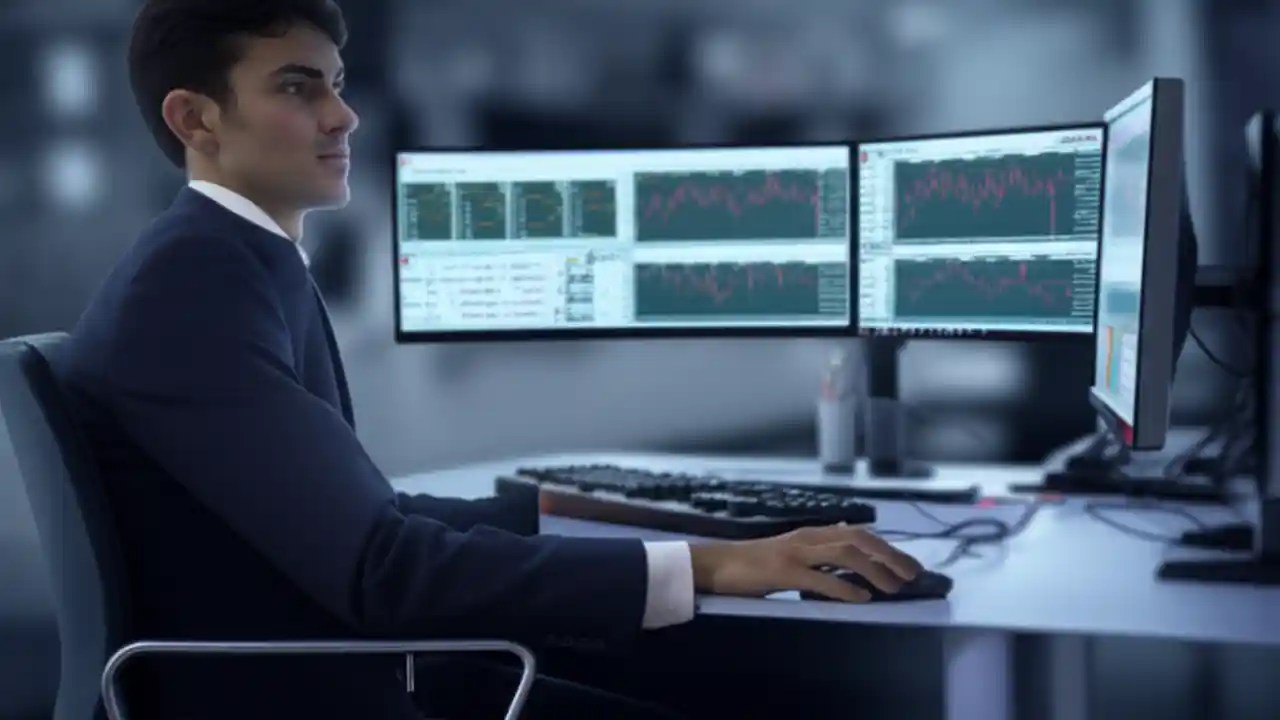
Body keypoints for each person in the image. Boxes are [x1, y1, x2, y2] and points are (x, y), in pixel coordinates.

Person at [51, 1, 924, 718]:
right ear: (194, 117)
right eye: (297, 86)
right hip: (312, 692)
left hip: (332, 669)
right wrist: (710, 565)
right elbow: (383, 570)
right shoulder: (196, 287)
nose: (344, 114)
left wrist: (611, 521)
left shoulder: (229, 262)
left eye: (339, 85)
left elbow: (365, 519)